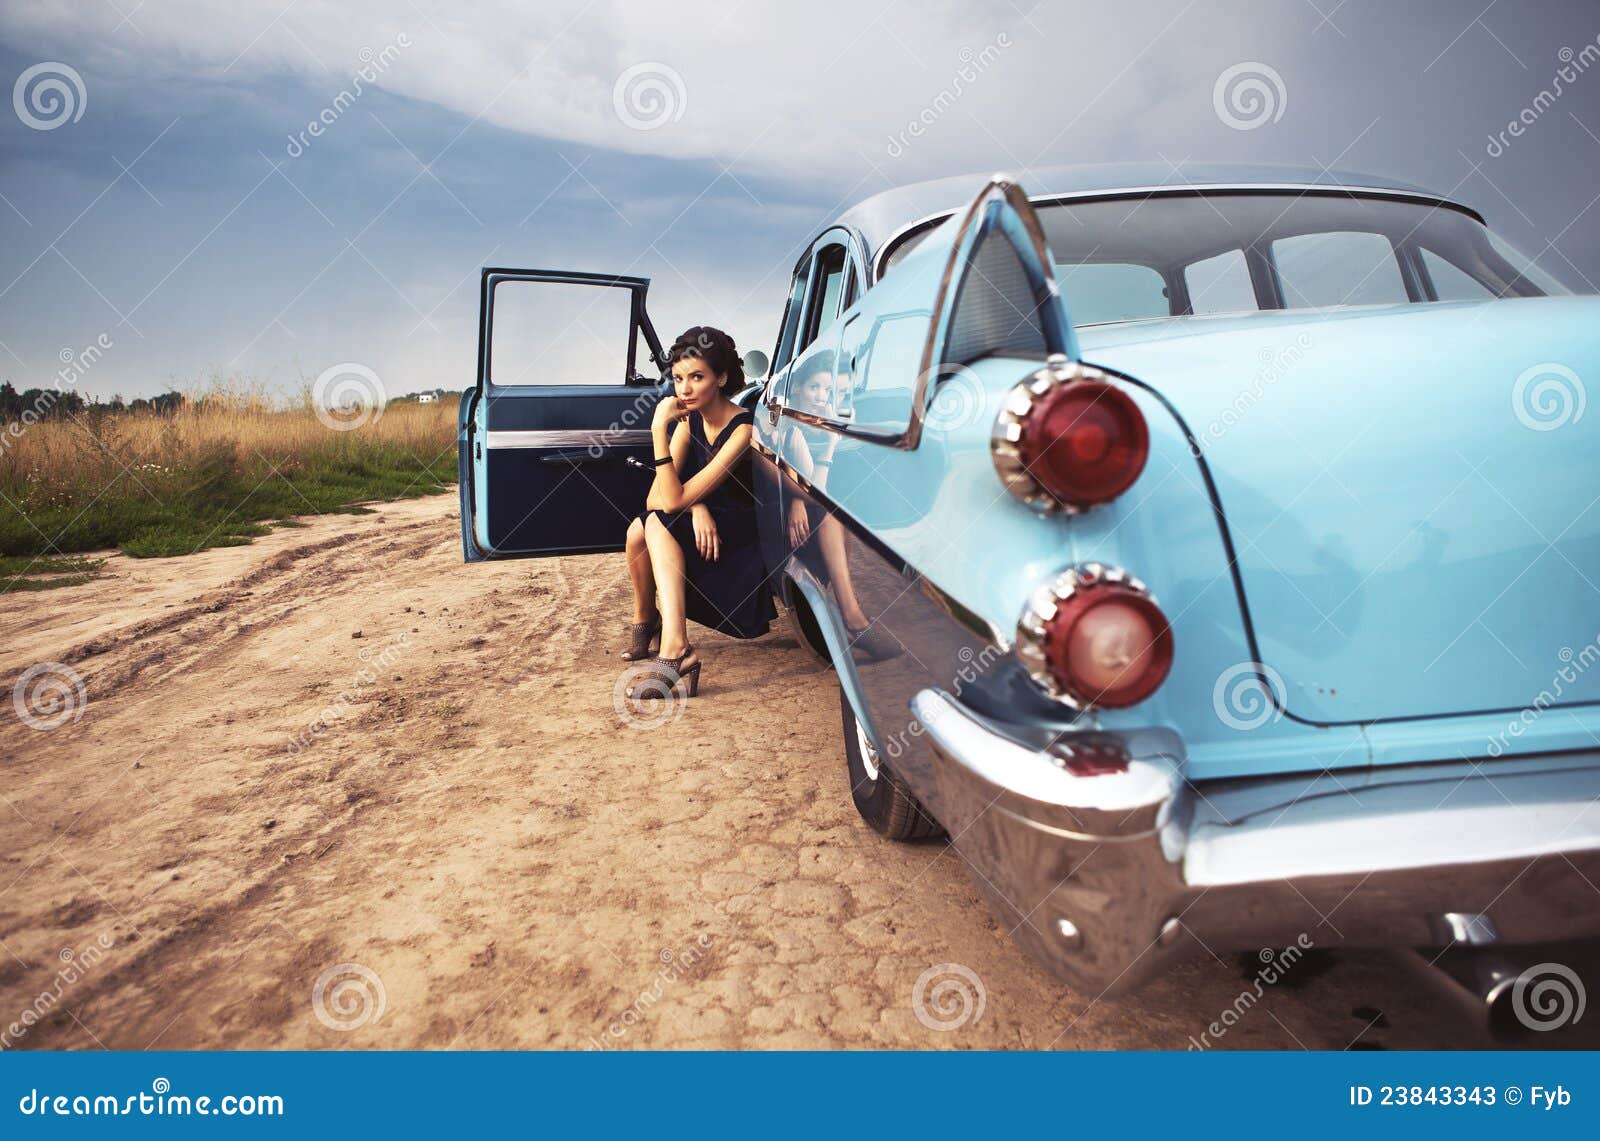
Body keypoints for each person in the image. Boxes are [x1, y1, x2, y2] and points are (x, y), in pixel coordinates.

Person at [620, 326, 776, 699]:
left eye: (696, 377)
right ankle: (648, 623)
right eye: (677, 378)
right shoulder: (690, 421)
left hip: (743, 538)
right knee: (637, 530)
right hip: (710, 523)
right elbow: (654, 495)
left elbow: (669, 502)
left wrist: (659, 427)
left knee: (654, 525)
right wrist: (698, 506)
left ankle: (676, 649)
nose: (684, 389)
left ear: (721, 378)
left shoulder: (742, 429)